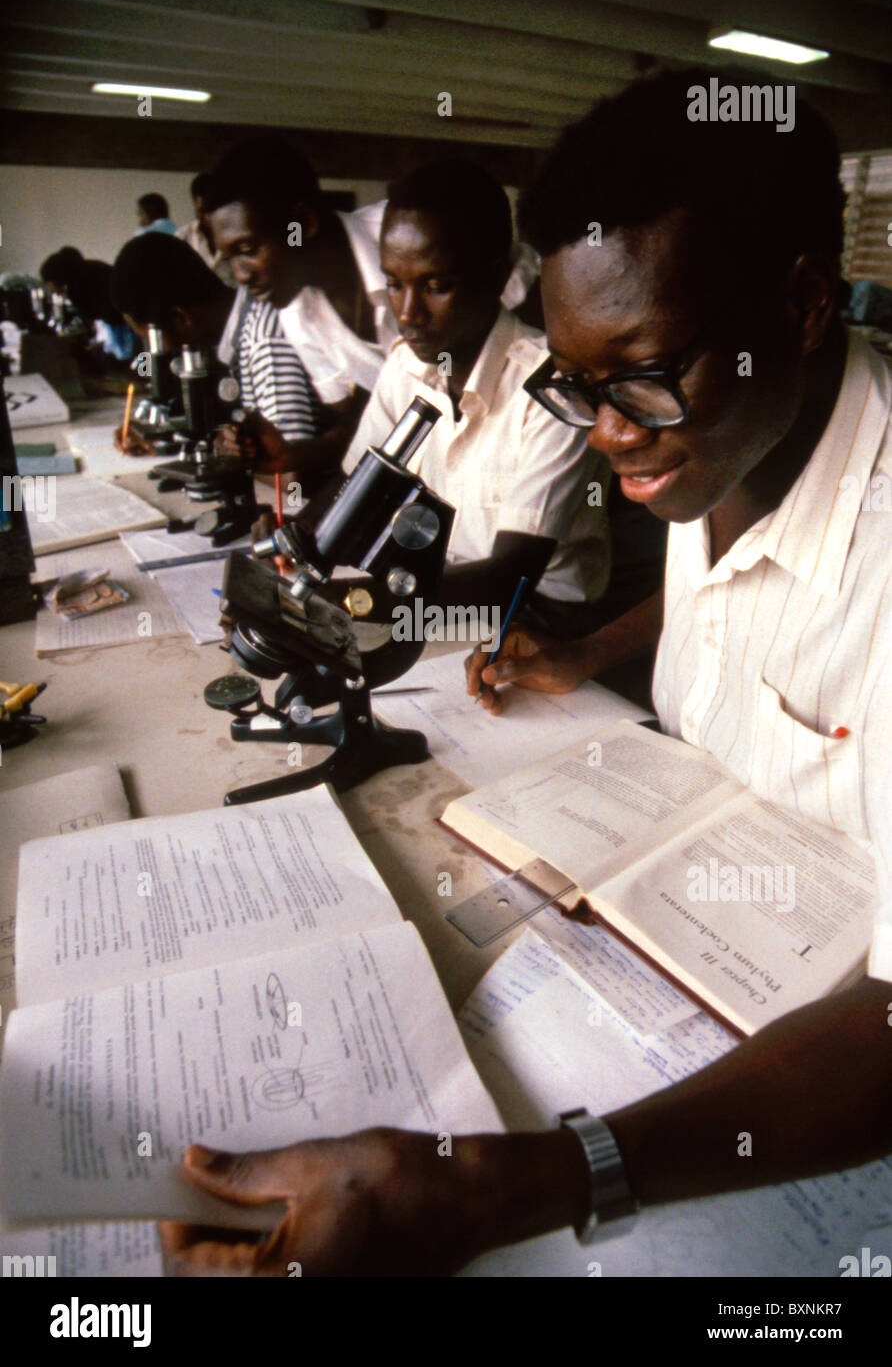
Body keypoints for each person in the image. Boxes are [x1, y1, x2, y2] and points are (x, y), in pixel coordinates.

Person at [159, 69, 892, 1278]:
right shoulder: (721, 431)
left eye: (640, 376)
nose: (605, 435)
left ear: (805, 302)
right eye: (574, 381)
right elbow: (744, 582)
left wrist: (515, 1182)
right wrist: (594, 650)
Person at [339, 159, 612, 630]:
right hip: (436, 597)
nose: (407, 313)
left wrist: (351, 601)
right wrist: (297, 549)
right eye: (394, 283)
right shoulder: (404, 364)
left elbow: (509, 579)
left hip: (541, 617)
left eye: (436, 286)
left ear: (497, 276)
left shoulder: (553, 387)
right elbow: (353, 495)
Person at [204, 137, 393, 464]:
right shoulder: (297, 315)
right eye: (229, 258)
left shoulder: (407, 233)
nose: (240, 276)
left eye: (248, 250)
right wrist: (287, 455)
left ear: (302, 224)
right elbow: (361, 424)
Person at [110, 232, 325, 476]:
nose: (151, 351)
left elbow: (289, 473)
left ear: (181, 319)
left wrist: (218, 455)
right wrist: (162, 441)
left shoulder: (262, 339)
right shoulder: (227, 335)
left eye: (149, 339)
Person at [40, 245, 136, 362]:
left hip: (125, 323)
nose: (51, 290)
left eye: (48, 283)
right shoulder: (88, 269)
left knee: (127, 360)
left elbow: (100, 315)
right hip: (125, 319)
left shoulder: (78, 285)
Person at [175, 172, 234, 283]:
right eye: (201, 210)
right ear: (195, 206)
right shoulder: (182, 237)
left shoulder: (235, 235)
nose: (207, 217)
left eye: (211, 209)